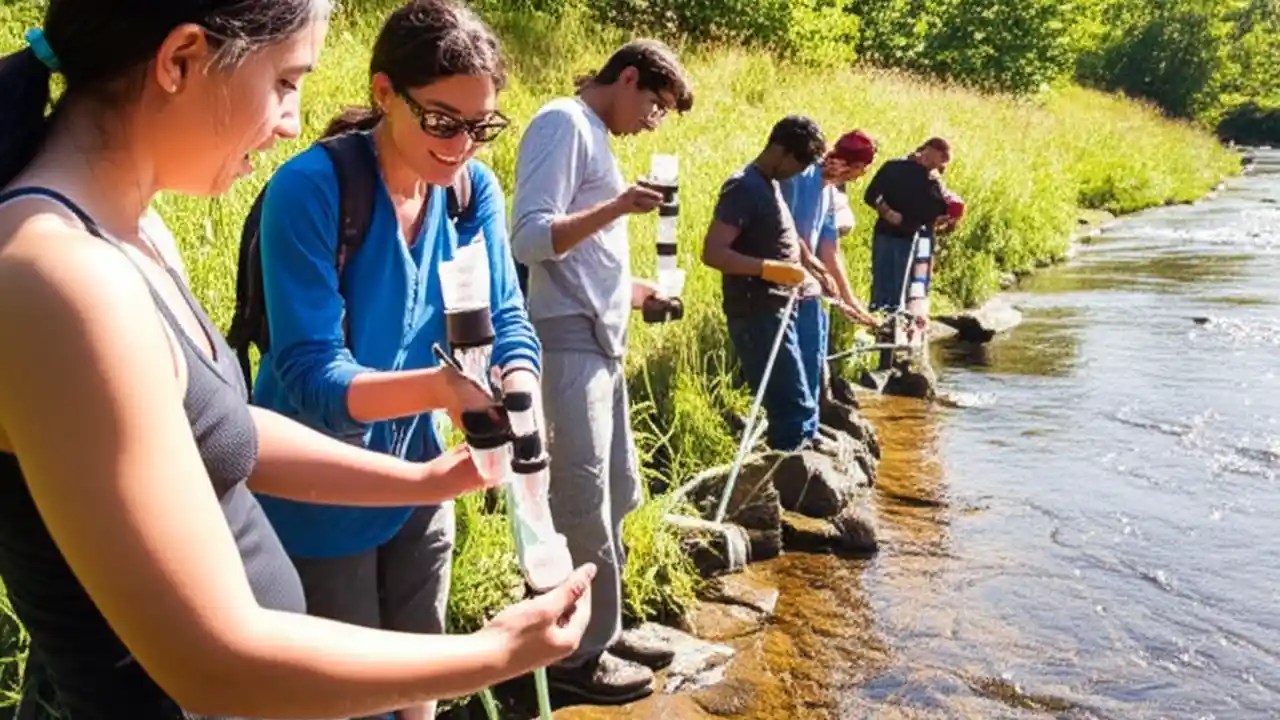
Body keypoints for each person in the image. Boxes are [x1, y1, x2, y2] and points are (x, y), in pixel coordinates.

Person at [0, 2, 595, 718]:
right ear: (180, 59)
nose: (291, 122)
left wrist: (425, 479)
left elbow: (225, 432)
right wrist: (497, 653)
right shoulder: (60, 278)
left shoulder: (134, 231)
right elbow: (212, 662)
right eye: (285, 82)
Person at [246, 2, 543, 719]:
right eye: (442, 122)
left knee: (424, 677)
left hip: (423, 475)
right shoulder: (313, 191)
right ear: (385, 94)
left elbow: (507, 319)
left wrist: (520, 387)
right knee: (346, 697)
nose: (462, 145)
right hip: (321, 490)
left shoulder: (472, 193)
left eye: (481, 126)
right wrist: (446, 391)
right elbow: (315, 377)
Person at [509, 39, 693, 704]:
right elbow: (528, 238)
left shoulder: (596, 137)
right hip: (564, 343)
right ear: (628, 77)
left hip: (600, 340)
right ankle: (574, 657)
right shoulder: (562, 122)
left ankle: (606, 630)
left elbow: (586, 266)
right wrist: (620, 207)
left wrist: (642, 293)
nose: (655, 121)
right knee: (580, 499)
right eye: (655, 104)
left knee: (612, 495)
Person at [701, 115, 835, 452]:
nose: (800, 171)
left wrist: (807, 266)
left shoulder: (768, 184)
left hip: (777, 308)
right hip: (756, 311)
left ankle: (801, 462)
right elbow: (714, 252)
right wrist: (769, 270)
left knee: (798, 399)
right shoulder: (743, 187)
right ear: (779, 149)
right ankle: (794, 476)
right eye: (799, 161)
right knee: (788, 404)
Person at [778, 128, 879, 420]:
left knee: (816, 344)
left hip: (807, 284)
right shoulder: (801, 176)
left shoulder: (830, 192)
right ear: (851, 165)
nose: (860, 177)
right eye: (861, 169)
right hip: (779, 276)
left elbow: (830, 249)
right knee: (794, 352)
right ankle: (796, 422)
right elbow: (786, 227)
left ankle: (815, 415)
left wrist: (851, 303)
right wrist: (813, 265)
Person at [861, 136, 952, 311]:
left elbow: (934, 212)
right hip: (893, 232)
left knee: (894, 284)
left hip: (907, 234)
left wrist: (889, 212)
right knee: (887, 282)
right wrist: (887, 212)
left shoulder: (931, 181)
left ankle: (889, 318)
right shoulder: (895, 168)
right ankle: (885, 317)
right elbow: (871, 194)